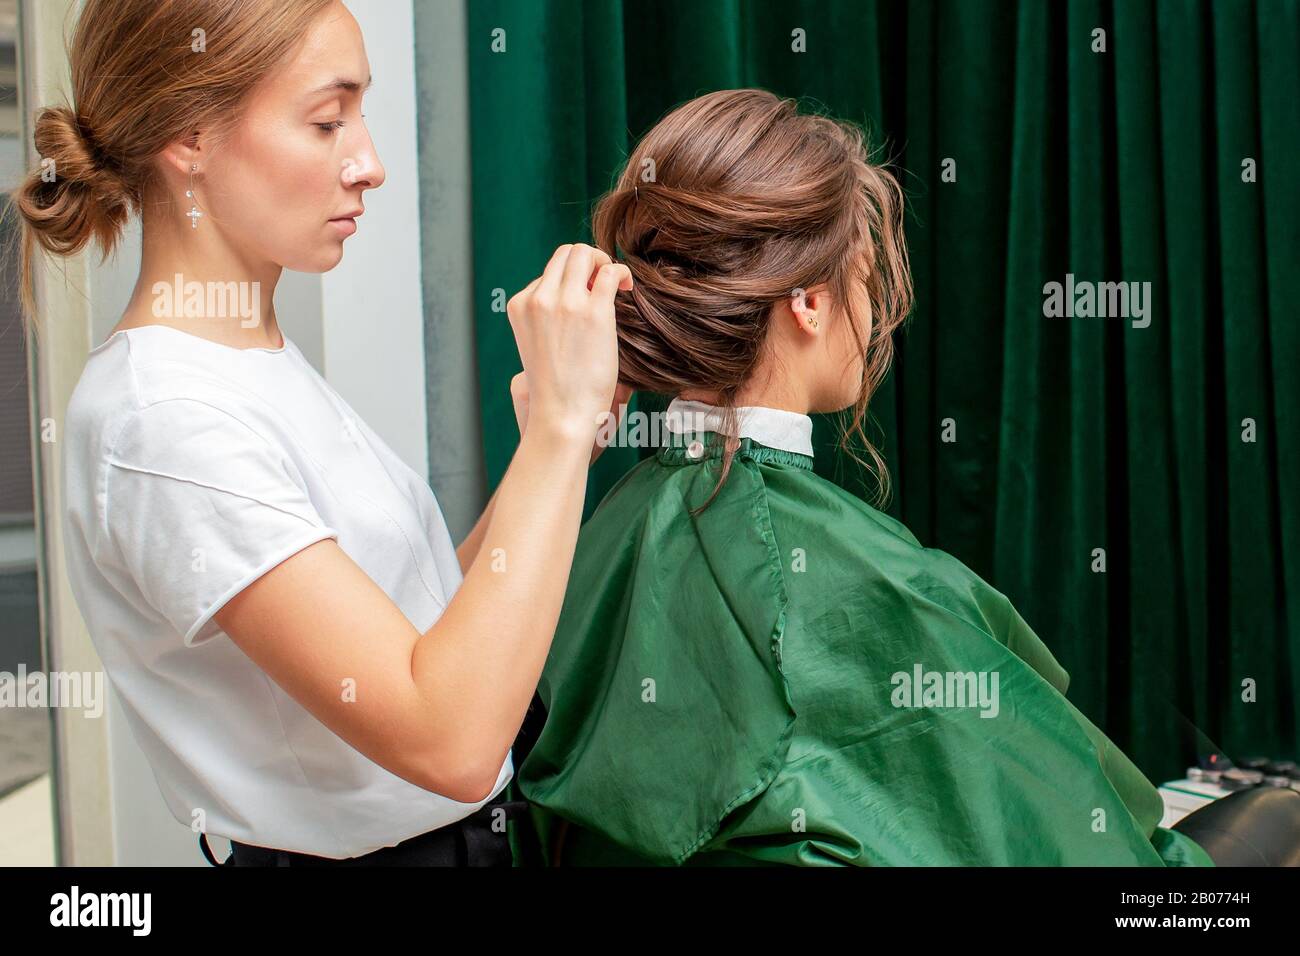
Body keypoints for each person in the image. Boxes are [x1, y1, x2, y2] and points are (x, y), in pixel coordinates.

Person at [513, 89, 1215, 867]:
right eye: (867, 275)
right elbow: (1096, 846)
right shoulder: (888, 591)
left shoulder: (580, 540)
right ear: (809, 302)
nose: (875, 309)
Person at [15, 0, 630, 865]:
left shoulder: (247, 365)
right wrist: (561, 431)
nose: (370, 165)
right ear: (190, 136)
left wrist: (553, 446)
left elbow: (426, 638)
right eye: (327, 121)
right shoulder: (166, 421)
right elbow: (449, 739)